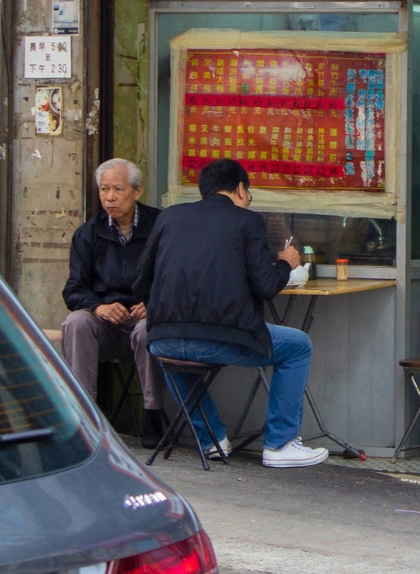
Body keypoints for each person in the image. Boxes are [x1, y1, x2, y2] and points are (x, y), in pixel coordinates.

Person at [134, 158, 326, 468]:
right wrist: (285, 263)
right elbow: (266, 285)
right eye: (249, 194)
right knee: (298, 345)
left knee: (173, 355)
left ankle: (211, 438)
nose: (248, 200)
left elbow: (141, 280)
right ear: (239, 189)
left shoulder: (169, 217)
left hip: (163, 338)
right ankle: (280, 444)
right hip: (221, 338)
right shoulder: (247, 221)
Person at [62, 158, 166, 448]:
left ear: (137, 191)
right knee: (77, 322)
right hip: (107, 325)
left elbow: (177, 278)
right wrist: (99, 307)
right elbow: (73, 288)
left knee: (147, 329)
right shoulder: (88, 233)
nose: (109, 197)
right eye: (104, 189)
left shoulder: (160, 225)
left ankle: (153, 415)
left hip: (144, 320)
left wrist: (153, 302)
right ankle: (82, 415)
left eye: (118, 189)